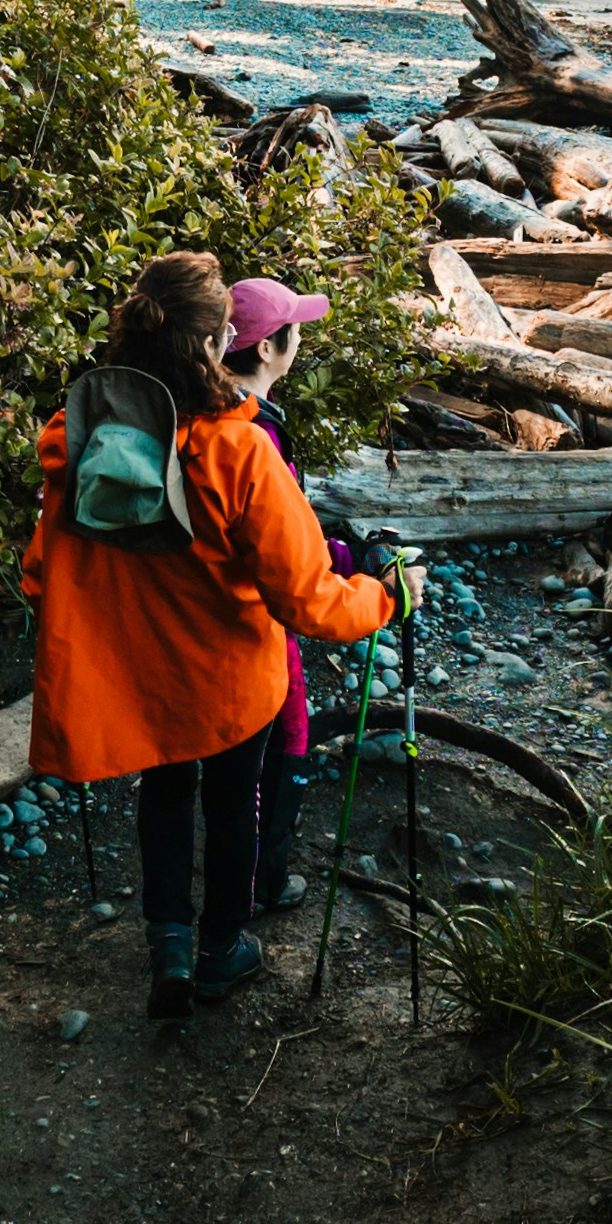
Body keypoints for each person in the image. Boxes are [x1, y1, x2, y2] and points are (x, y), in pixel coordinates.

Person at [22, 250, 421, 1022]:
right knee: (235, 805)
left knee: (165, 794)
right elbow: (307, 599)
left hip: (137, 669)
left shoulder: (73, 437)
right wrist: (387, 598)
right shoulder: (236, 450)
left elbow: (43, 564)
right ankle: (221, 948)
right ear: (214, 346)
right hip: (232, 678)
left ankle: (168, 941)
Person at [221, 272, 345, 911]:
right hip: (258, 618)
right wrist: (349, 565)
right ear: (269, 348)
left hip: (206, 611)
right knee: (287, 732)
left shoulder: (204, 409)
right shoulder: (257, 431)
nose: (300, 339)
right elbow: (278, 543)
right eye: (293, 329)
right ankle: (263, 882)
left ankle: (236, 890)